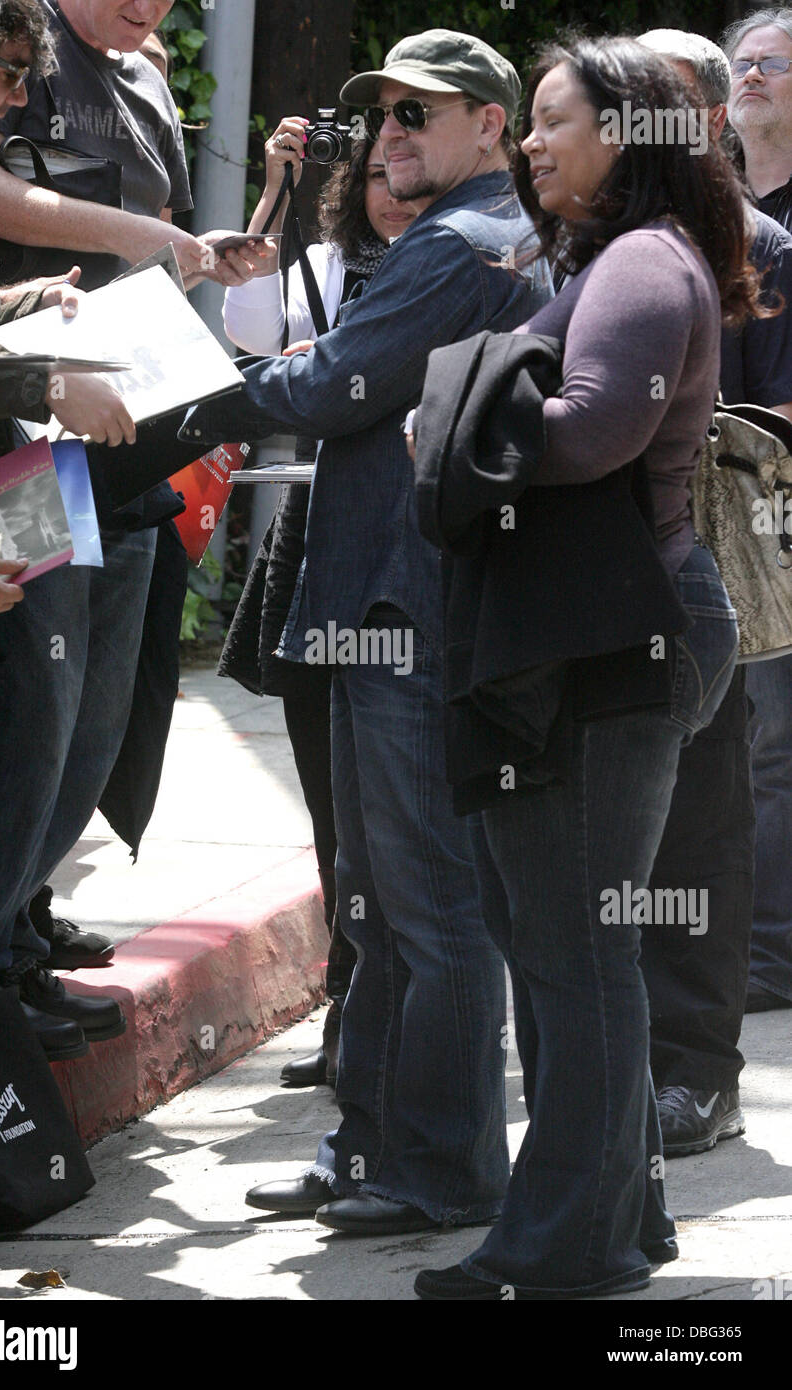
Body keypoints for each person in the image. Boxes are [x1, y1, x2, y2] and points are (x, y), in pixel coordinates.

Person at [180, 28, 553, 1237]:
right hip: (384, 606)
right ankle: (374, 1148)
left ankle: (438, 1169)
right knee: (380, 904)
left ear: (490, 123)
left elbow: (338, 379)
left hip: (405, 610)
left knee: (425, 908)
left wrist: (167, 397)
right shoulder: (464, 237)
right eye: (380, 114)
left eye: (419, 113)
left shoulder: (461, 242)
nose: (390, 133)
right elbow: (346, 369)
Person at [414, 35, 759, 1299]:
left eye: (552, 120)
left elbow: (586, 434)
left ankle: (562, 1247)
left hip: (616, 648)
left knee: (573, 943)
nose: (531, 142)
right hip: (592, 639)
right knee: (558, 934)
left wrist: (442, 402)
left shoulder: (638, 266)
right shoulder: (625, 259)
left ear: (630, 134)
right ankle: (612, 1221)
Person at [0, 0, 272, 1053]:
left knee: (44, 719)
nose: (21, 100)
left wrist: (36, 310)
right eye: (8, 78)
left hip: (4, 471)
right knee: (0, 720)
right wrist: (43, 372)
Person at [221, 130, 419, 1088]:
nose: (391, 192)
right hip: (325, 539)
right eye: (375, 175)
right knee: (336, 799)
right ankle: (353, 1000)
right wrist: (272, 196)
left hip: (413, 548)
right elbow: (254, 335)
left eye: (406, 175)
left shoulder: (468, 260)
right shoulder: (335, 258)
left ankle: (394, 1019)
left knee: (404, 812)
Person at [633, 29, 792, 1156]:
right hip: (592, 579)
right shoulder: (567, 241)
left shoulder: (757, 246)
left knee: (728, 780)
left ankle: (709, 1036)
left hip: (718, 559)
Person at [723, 7, 792, 1014]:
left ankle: (771, 955)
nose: (748, 77)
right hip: (712, 503)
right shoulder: (712, 206)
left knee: (771, 737)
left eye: (770, 64)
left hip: (771, 504)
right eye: (738, 63)